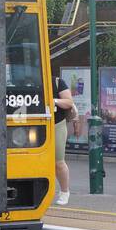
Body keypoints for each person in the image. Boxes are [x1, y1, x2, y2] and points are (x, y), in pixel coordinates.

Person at [52, 71, 76, 206]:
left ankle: (64, 192)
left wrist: (53, 100)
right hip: (36, 124)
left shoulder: (57, 81)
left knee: (58, 161)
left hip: (56, 124)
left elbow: (68, 102)